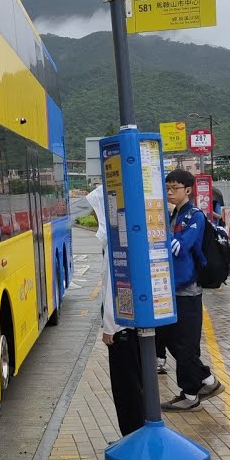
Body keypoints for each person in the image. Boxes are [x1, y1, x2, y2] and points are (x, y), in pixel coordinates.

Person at [160, 169, 224, 411]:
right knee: (169, 338)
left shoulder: (194, 216)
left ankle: (190, 395)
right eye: (167, 188)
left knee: (186, 345)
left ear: (188, 190)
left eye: (174, 188)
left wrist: (159, 234)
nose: (169, 193)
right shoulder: (173, 215)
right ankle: (207, 380)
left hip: (188, 289)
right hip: (171, 288)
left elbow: (179, 247)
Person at [88, 185, 145, 437]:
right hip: (132, 327)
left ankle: (132, 436)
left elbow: (117, 285)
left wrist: (110, 326)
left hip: (122, 330)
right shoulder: (127, 234)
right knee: (133, 387)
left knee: (126, 389)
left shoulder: (117, 242)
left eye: (94, 209)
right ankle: (135, 433)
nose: (92, 216)